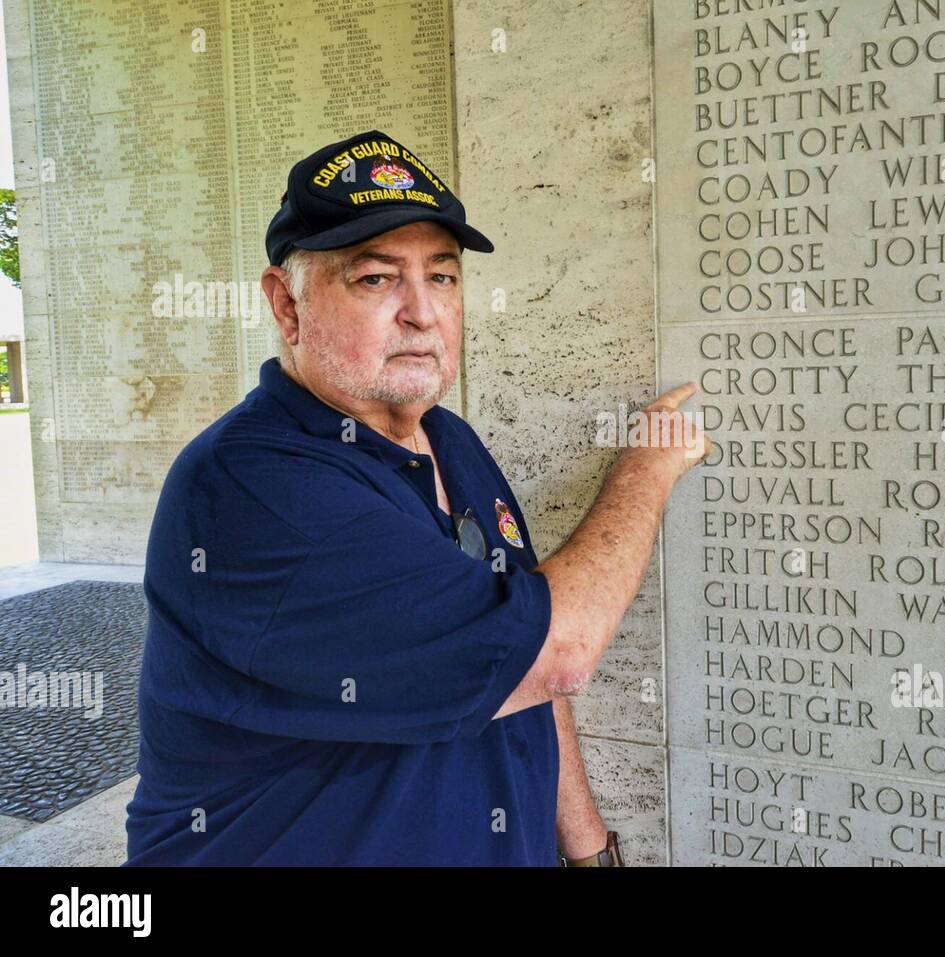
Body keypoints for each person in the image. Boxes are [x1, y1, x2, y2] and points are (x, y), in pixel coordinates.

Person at [123, 130, 708, 865]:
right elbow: (557, 648)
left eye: (443, 276)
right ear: (286, 304)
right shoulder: (253, 488)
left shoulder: (448, 438)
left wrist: (589, 852)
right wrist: (645, 473)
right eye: (376, 278)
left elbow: (523, 645)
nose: (422, 312)